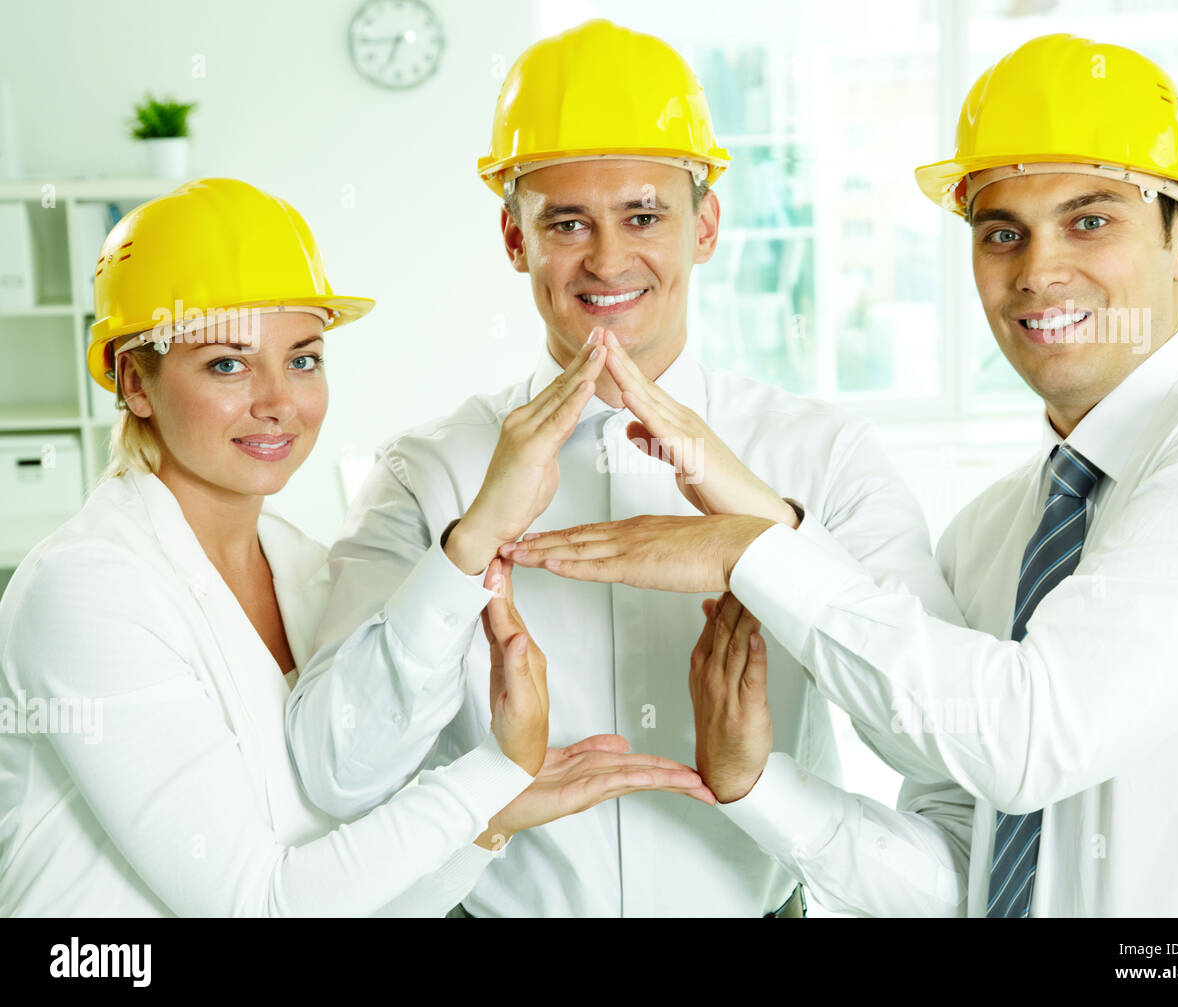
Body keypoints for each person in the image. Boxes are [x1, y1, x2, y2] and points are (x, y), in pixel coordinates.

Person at [503, 34, 1178, 916]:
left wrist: (757, 550)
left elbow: (1032, 735)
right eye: (1003, 232)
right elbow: (960, 873)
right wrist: (755, 784)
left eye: (1091, 218)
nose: (1039, 271)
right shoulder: (996, 533)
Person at [286, 18, 962, 918]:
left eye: (644, 215)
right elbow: (336, 767)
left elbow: (939, 734)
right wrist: (465, 551)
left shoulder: (825, 455)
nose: (607, 260)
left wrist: (767, 541)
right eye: (567, 222)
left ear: (706, 226)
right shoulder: (428, 472)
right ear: (514, 238)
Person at [0, 177, 709, 917]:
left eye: (303, 358)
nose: (278, 400)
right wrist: (490, 775)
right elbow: (255, 902)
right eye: (227, 364)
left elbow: (360, 895)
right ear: (132, 381)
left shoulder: (305, 567)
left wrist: (494, 815)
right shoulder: (87, 589)